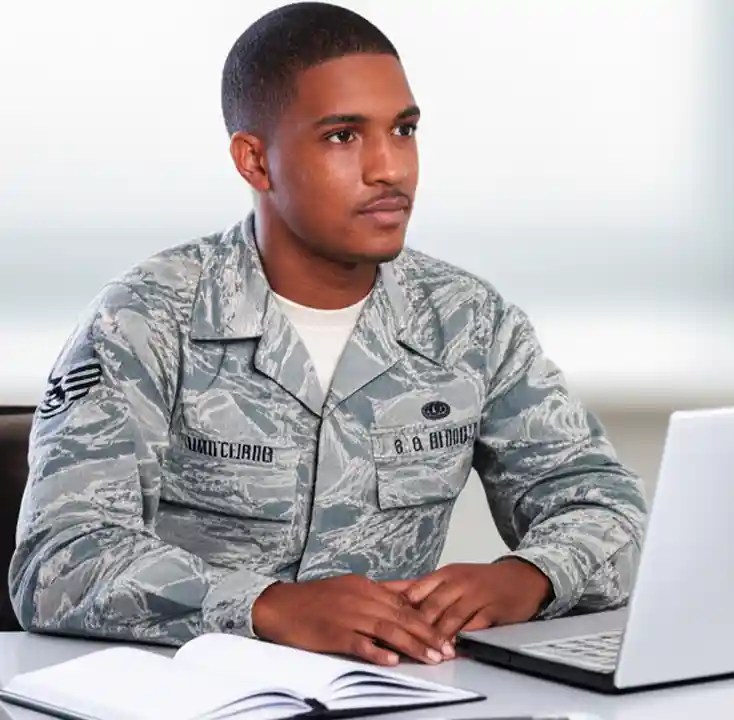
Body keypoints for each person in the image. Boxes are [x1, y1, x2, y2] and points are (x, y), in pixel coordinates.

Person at [9, 2, 647, 668]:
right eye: (344, 136)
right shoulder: (144, 319)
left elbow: (606, 506)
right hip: (193, 697)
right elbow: (60, 561)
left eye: (403, 130)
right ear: (255, 162)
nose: (390, 169)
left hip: (400, 696)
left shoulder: (469, 323)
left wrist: (529, 578)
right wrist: (268, 606)